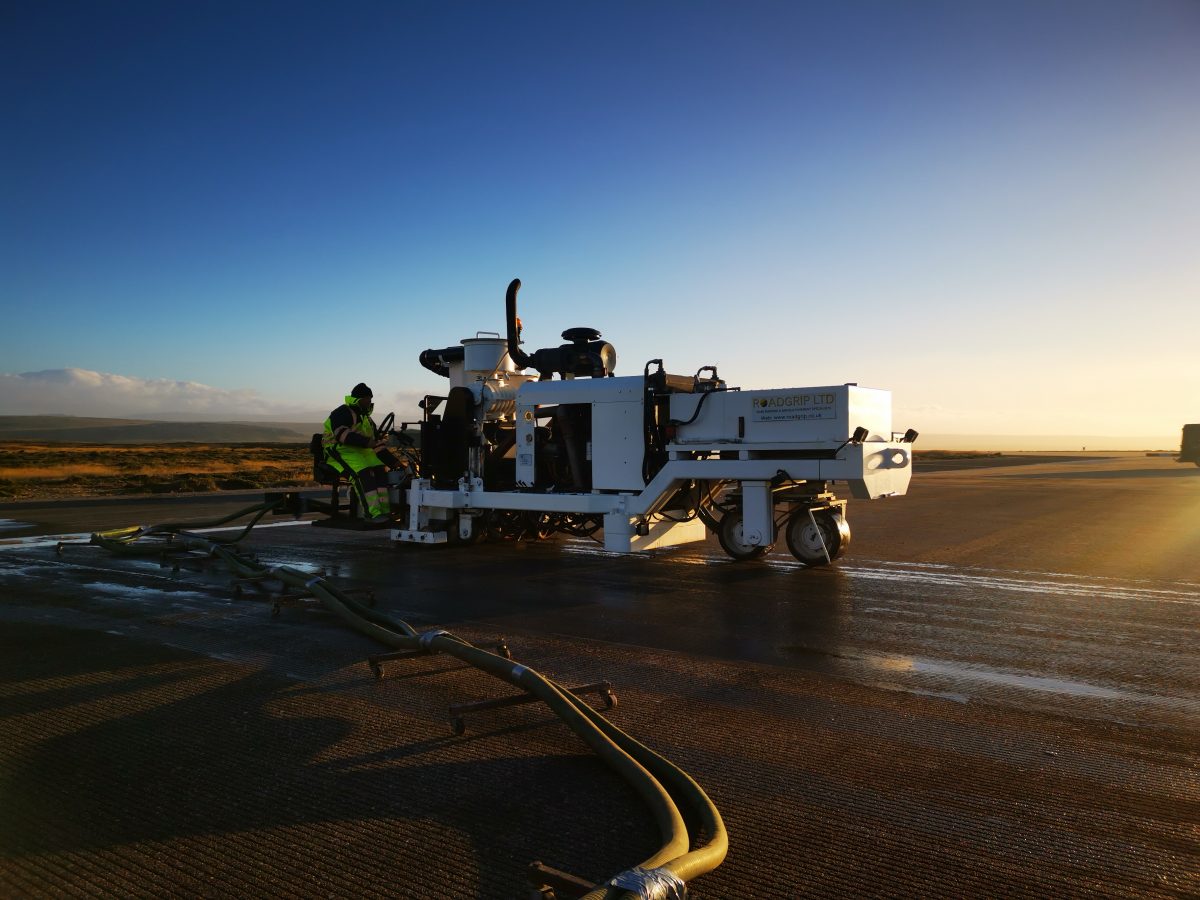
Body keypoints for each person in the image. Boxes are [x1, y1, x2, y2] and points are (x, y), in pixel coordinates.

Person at [323, 383, 400, 523]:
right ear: (358, 399)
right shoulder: (343, 412)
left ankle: (385, 512)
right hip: (339, 451)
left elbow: (377, 444)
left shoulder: (367, 419)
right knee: (362, 475)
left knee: (380, 471)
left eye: (370, 398)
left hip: (360, 452)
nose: (370, 401)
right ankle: (372, 514)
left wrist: (395, 463)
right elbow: (341, 435)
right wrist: (367, 442)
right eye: (367, 398)